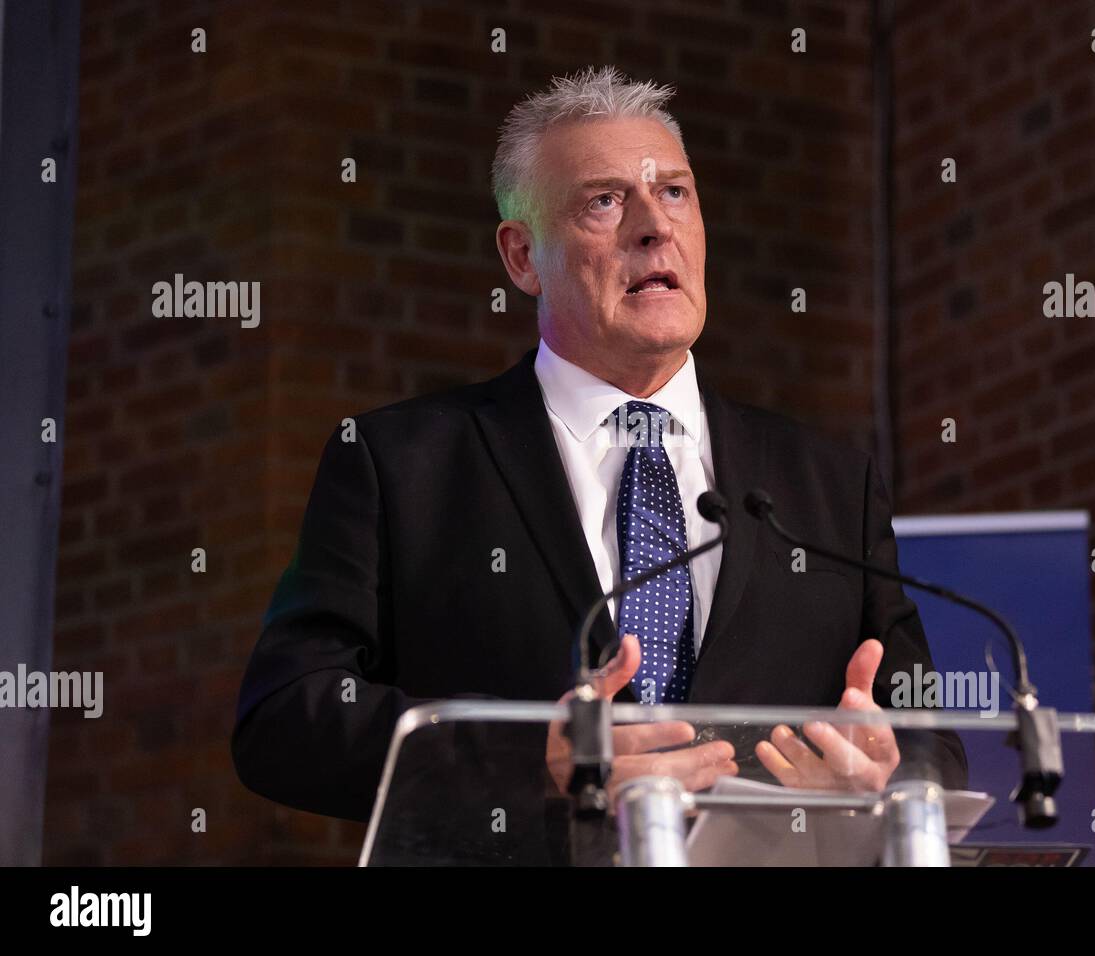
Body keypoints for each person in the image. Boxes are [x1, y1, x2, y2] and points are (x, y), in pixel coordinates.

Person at [231, 66, 966, 837]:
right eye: (605, 201)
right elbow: (284, 716)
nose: (655, 227)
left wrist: (885, 773)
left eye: (675, 192)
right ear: (521, 257)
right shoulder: (401, 463)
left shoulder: (827, 483)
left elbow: (931, 742)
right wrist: (525, 757)